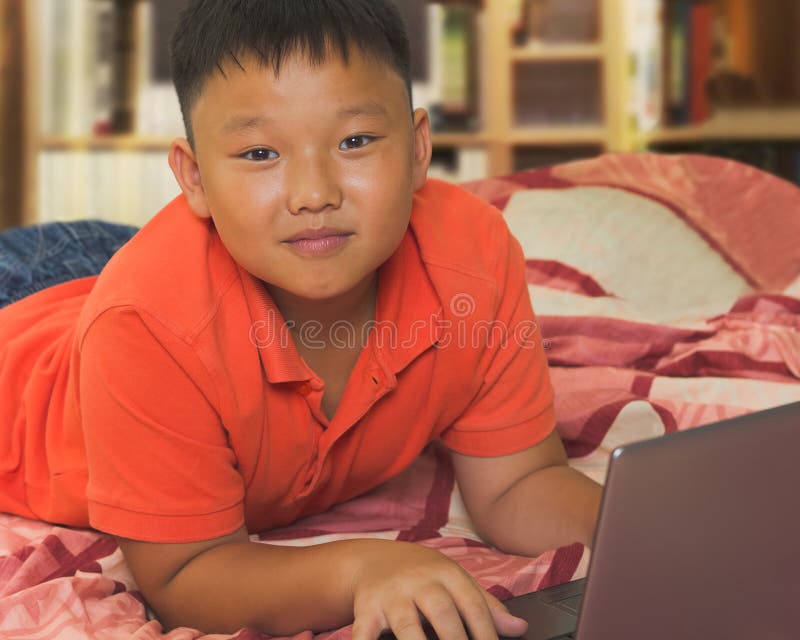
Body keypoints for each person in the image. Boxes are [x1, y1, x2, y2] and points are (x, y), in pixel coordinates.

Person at [0, 0, 602, 637]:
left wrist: (645, 523)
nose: (314, 193)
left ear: (420, 147)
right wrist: (360, 568)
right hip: (28, 310)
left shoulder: (473, 260)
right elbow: (185, 575)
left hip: (168, 265)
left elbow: (519, 486)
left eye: (355, 141)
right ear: (194, 177)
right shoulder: (146, 327)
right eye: (260, 153)